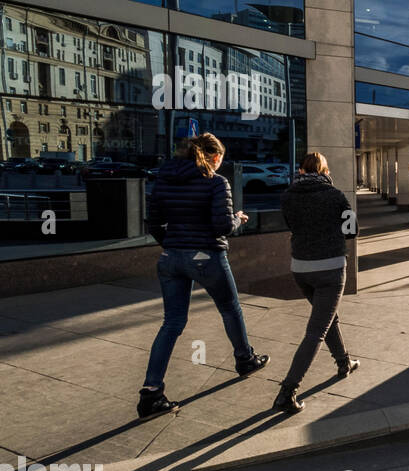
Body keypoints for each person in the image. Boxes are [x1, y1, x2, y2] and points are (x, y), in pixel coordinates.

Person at [138, 133, 267, 419]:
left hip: (170, 258)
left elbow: (154, 222)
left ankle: (151, 393)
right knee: (230, 309)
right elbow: (221, 225)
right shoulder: (217, 183)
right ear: (214, 157)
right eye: (221, 157)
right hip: (206, 257)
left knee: (171, 323)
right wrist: (239, 219)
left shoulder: (164, 179)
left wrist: (173, 245)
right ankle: (245, 360)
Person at [274, 152, 359, 415]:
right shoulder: (335, 195)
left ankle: (344, 362)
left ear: (301, 171)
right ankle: (287, 391)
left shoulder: (288, 195)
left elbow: (290, 225)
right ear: (324, 171)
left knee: (327, 318)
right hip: (330, 269)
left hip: (301, 269)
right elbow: (351, 230)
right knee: (316, 331)